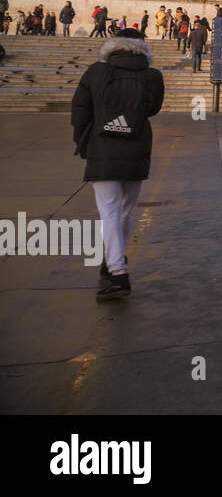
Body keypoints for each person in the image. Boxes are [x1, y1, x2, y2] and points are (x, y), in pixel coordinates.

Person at [71, 27, 166, 302]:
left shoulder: (96, 72)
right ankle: (112, 258)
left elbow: (80, 109)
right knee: (124, 212)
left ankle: (118, 273)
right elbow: (152, 110)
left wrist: (83, 141)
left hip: (103, 149)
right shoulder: (152, 76)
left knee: (109, 213)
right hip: (136, 148)